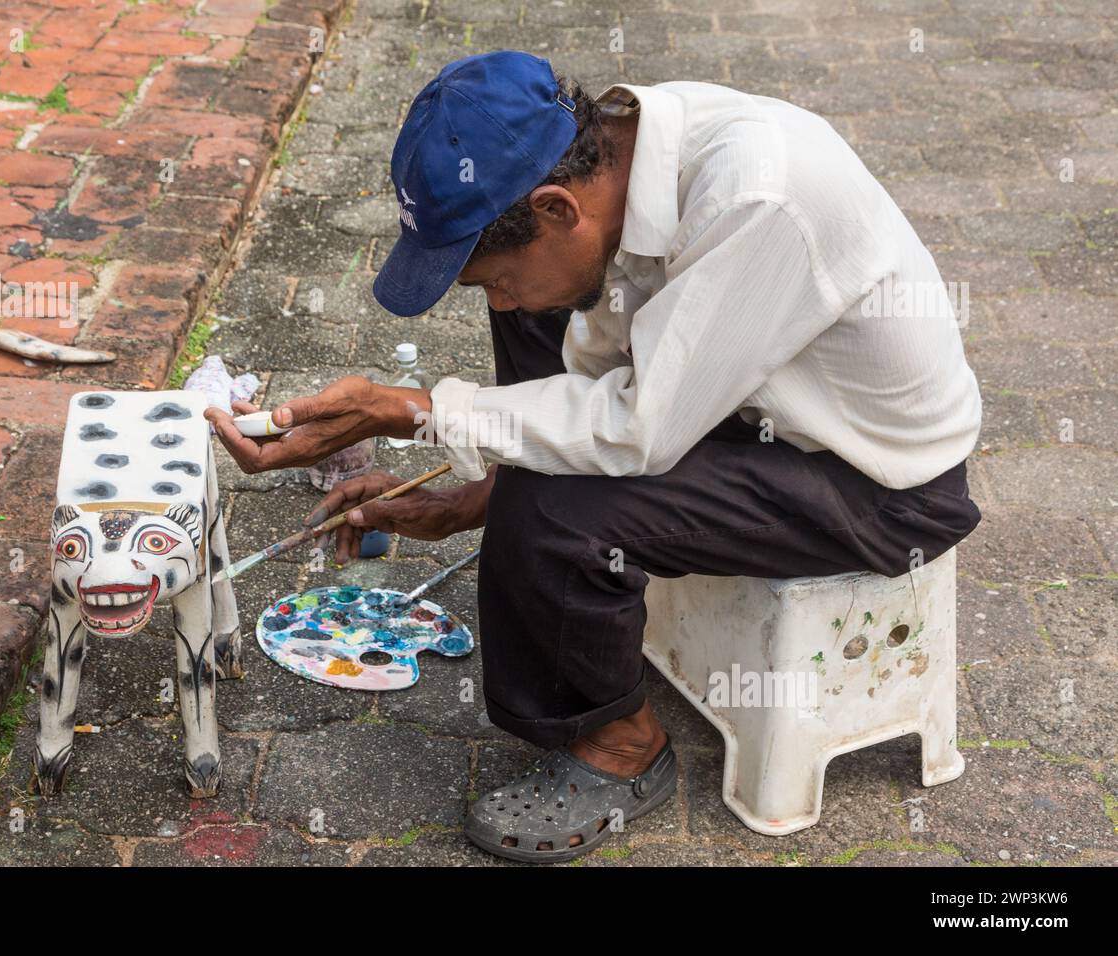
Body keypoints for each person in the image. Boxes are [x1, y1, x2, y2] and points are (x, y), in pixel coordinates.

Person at [205, 51, 982, 863]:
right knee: (540, 312)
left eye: (486, 279)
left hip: (875, 484)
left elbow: (638, 430)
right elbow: (603, 358)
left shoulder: (759, 197)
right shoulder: (624, 148)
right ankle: (515, 501)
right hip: (750, 403)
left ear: (555, 204)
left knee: (555, 511)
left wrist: (418, 414)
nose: (489, 297)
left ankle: (622, 744)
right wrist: (478, 480)